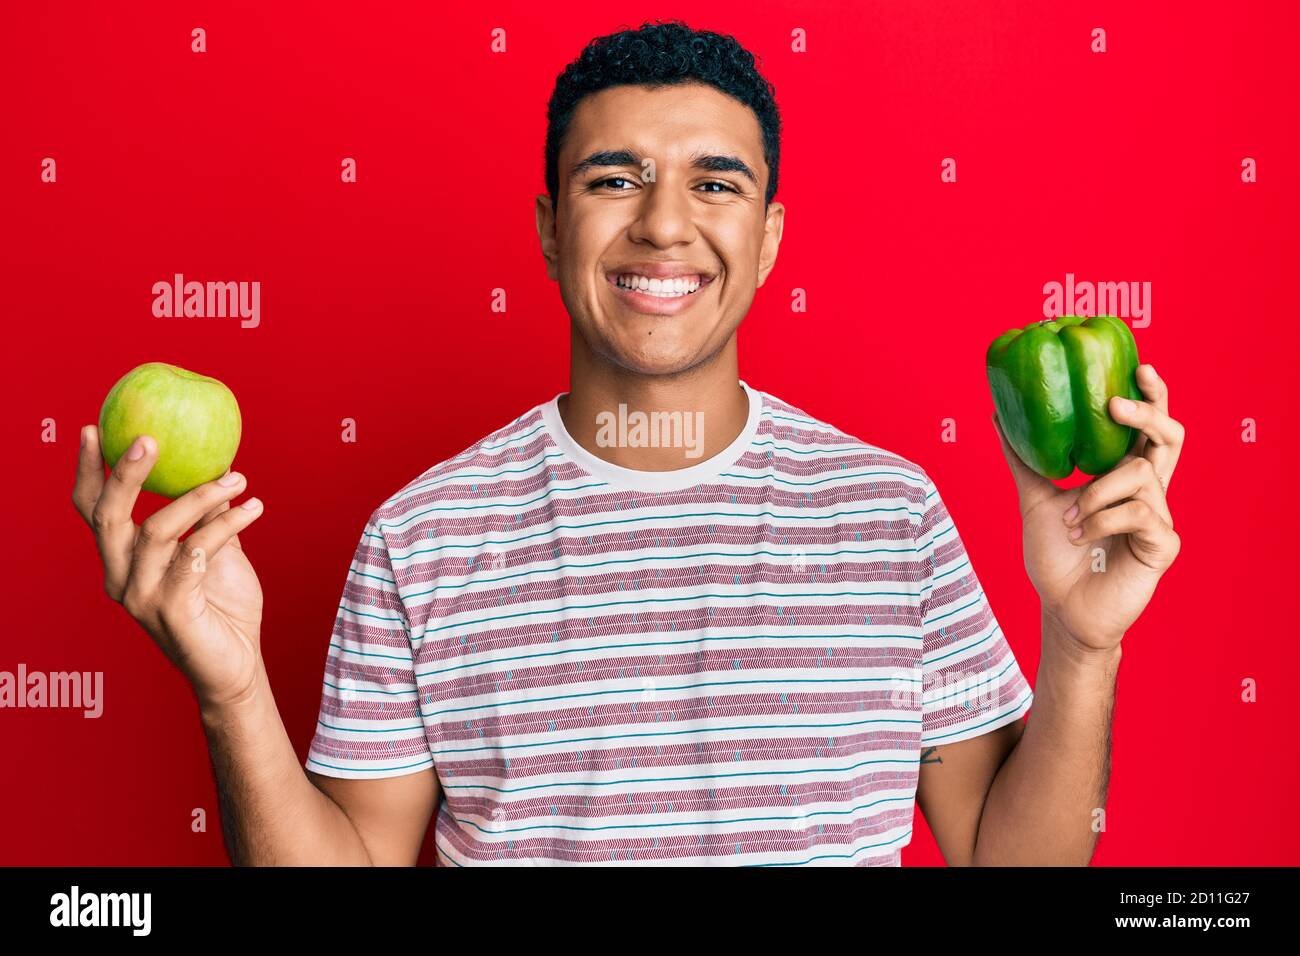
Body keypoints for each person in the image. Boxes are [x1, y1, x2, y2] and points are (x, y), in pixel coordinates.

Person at [71, 20, 1183, 866]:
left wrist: (1082, 645)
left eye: (715, 182)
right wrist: (230, 692)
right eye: (614, 180)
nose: (662, 222)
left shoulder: (889, 512)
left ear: (769, 237)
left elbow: (1013, 857)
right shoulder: (421, 536)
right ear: (552, 227)